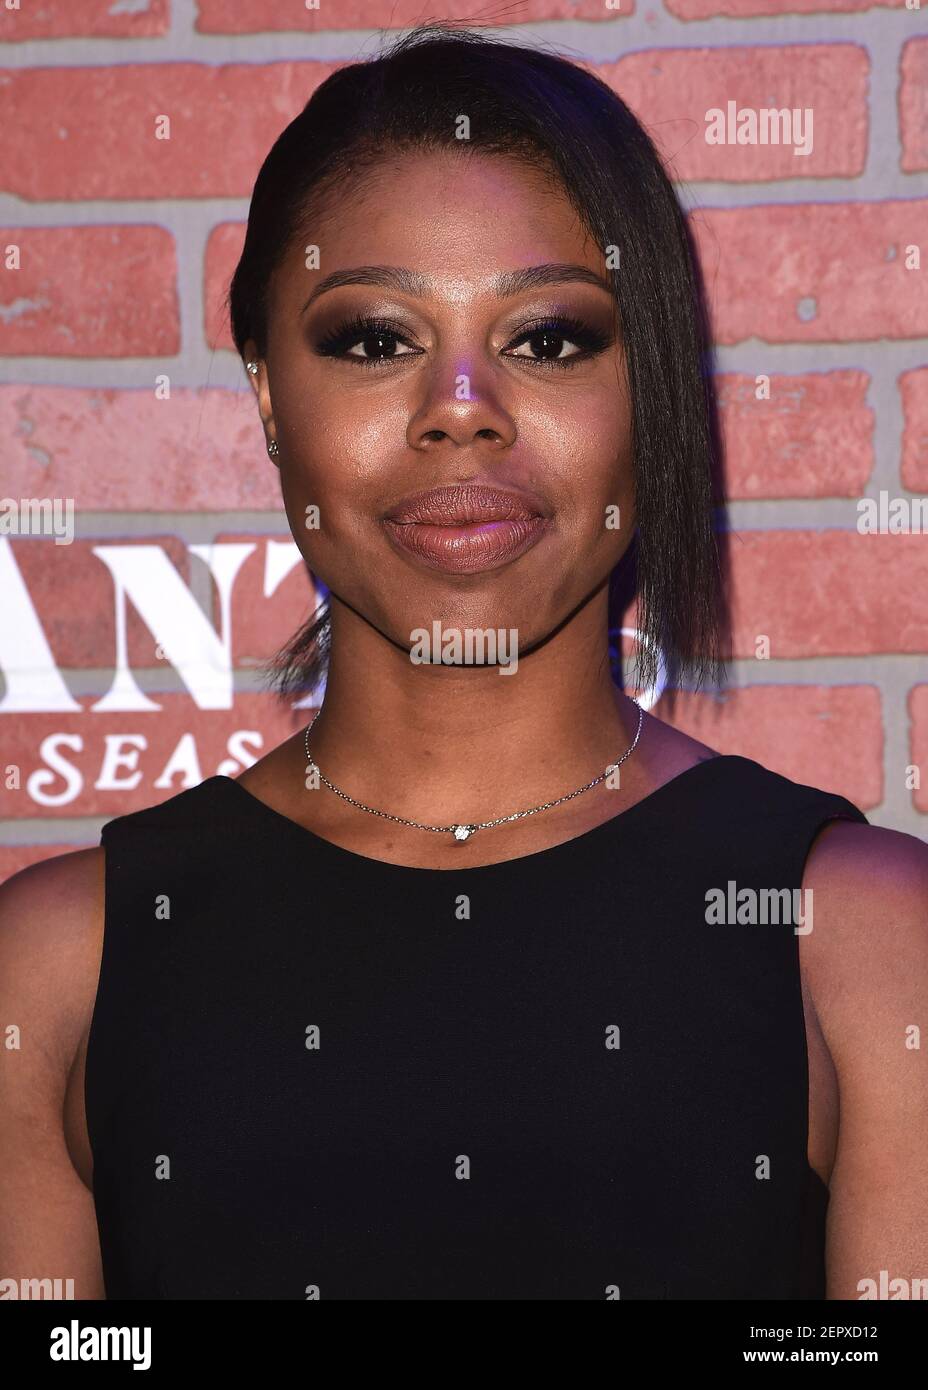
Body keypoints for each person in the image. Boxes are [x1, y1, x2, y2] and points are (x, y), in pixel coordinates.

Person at [1, 23, 925, 1302]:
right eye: (374, 338)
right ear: (269, 399)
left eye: (548, 337)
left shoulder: (867, 941)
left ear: (649, 390)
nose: (459, 402)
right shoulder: (55, 968)